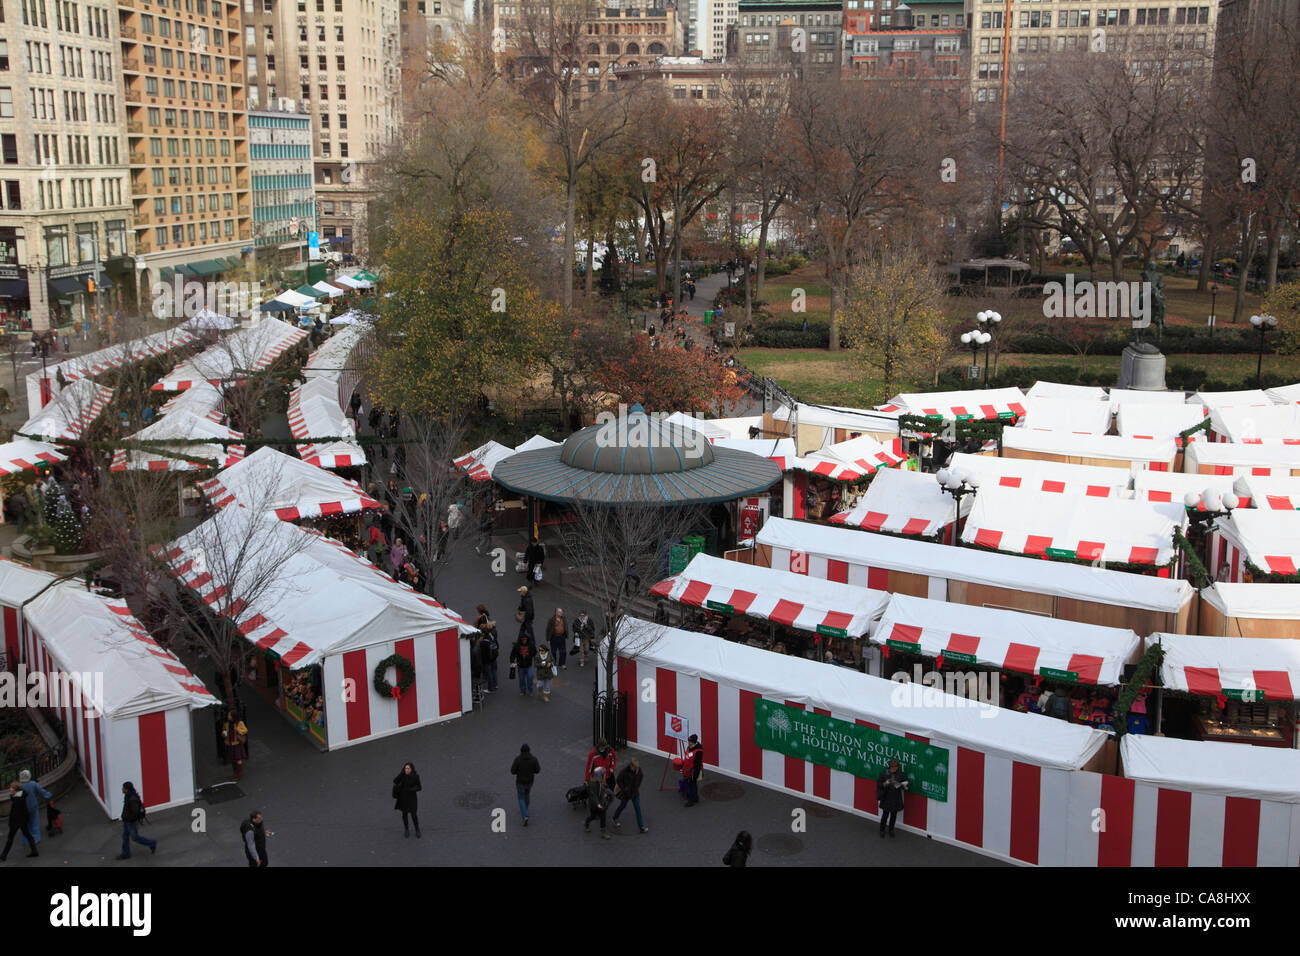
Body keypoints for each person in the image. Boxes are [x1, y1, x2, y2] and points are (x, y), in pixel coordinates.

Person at [116, 781, 156, 859]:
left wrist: (129, 819)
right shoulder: (128, 796)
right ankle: (125, 853)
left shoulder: (132, 799)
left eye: (123, 788)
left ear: (126, 789)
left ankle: (151, 843)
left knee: (135, 838)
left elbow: (135, 812)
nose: (122, 789)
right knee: (125, 837)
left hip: (131, 822)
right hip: (127, 821)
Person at [1, 780, 37, 860]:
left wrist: (10, 823)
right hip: (23, 820)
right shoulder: (21, 796)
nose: (10, 789)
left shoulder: (16, 800)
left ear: (15, 789)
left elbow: (14, 813)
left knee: (10, 838)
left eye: (11, 788)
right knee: (28, 835)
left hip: (16, 822)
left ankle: (4, 855)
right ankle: (34, 851)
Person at [612, 758, 648, 833]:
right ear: (631, 766)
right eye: (635, 768)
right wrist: (624, 789)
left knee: (638, 810)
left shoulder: (639, 771)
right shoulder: (624, 772)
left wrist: (636, 787)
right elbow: (618, 780)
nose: (636, 769)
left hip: (634, 793)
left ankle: (641, 827)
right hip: (626, 794)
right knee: (622, 806)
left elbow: (640, 779)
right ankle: (615, 817)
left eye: (637, 767)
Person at [16, 770, 50, 849]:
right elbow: (42, 792)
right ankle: (36, 839)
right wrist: (48, 795)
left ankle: (26, 841)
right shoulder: (33, 784)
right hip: (33, 806)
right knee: (34, 822)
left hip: (22, 809)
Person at [510, 743, 541, 826]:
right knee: (527, 795)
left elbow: (512, 771)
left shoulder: (518, 759)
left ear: (521, 751)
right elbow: (538, 770)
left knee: (521, 798)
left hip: (520, 782)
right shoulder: (534, 759)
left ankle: (525, 815)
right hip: (530, 781)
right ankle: (525, 809)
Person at [876, 759, 908, 838]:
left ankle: (891, 830)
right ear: (890, 766)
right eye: (893, 767)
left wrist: (905, 784)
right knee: (885, 815)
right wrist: (885, 783)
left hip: (896, 797)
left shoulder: (900, 774)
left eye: (896, 767)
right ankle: (882, 830)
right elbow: (879, 784)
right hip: (887, 797)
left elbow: (905, 785)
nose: (895, 769)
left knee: (894, 815)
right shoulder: (884, 774)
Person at [393, 762, 422, 838]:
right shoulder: (402, 776)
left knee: (414, 815)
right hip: (403, 798)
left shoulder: (415, 776)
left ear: (411, 769)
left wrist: (412, 789)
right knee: (404, 815)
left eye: (408, 768)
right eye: (405, 768)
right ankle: (406, 830)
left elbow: (419, 787)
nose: (406, 770)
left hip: (412, 798)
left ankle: (417, 829)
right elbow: (395, 781)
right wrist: (401, 773)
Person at [584, 766, 612, 840]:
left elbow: (603, 790)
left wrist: (605, 794)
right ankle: (587, 823)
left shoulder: (603, 782)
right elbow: (593, 796)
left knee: (603, 817)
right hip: (594, 805)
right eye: (604, 774)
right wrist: (598, 804)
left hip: (601, 803)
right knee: (593, 817)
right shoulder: (592, 784)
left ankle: (603, 833)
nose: (605, 776)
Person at [222, 709, 249, 781]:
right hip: (230, 743)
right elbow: (224, 731)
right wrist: (224, 734)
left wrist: (238, 730)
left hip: (236, 744)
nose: (228, 716)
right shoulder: (226, 724)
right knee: (233, 759)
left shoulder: (239, 723)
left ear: (233, 716)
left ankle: (239, 775)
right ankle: (235, 774)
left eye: (229, 715)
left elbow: (245, 730)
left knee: (238, 759)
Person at [512, 631, 536, 696]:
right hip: (520, 666)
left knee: (530, 677)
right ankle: (523, 691)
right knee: (521, 679)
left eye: (525, 639)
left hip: (529, 665)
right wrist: (512, 662)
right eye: (522, 640)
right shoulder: (517, 646)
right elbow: (512, 654)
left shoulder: (531, 645)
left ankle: (530, 690)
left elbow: (535, 653)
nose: (524, 641)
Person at [683, 734, 704, 807]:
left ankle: (691, 801)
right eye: (689, 741)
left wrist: (695, 775)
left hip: (693, 772)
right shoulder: (689, 747)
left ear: (694, 742)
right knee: (693, 785)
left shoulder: (698, 751)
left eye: (690, 741)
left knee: (692, 785)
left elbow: (697, 765)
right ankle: (695, 798)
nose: (688, 743)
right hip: (688, 770)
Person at [479, 619, 498, 692]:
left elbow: (483, 653)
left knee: (489, 673)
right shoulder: (491, 637)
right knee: (494, 671)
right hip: (494, 656)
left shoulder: (484, 642)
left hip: (488, 659)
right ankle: (495, 684)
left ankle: (490, 688)